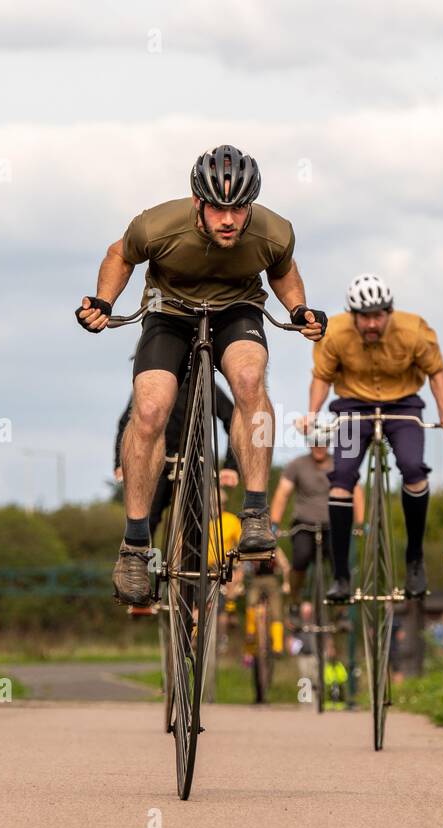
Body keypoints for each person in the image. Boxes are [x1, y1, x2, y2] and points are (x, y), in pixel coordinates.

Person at [78, 144, 327, 606]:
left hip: (238, 310)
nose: (229, 220)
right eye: (218, 209)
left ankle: (255, 512)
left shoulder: (274, 231)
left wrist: (299, 309)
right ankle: (135, 546)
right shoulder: (156, 225)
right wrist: (103, 302)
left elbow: (283, 271)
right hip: (168, 312)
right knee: (150, 409)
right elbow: (120, 256)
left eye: (238, 209)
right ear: (198, 202)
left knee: (250, 380)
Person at [306, 273, 443, 603]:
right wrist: (312, 413)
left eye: (379, 314)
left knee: (413, 470)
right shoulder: (334, 332)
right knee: (341, 479)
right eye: (365, 317)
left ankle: (415, 560)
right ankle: (340, 576)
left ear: (389, 311)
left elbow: (436, 371)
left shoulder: (414, 330)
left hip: (402, 403)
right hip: (353, 405)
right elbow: (322, 377)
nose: (372, 323)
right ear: (353, 315)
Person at [113, 353, 239, 537]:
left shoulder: (202, 385)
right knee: (147, 519)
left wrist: (231, 466)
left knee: (197, 525)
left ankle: (195, 562)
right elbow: (126, 425)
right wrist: (121, 463)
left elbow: (233, 419)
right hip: (157, 463)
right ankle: (141, 559)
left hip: (197, 460)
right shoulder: (144, 392)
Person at [268, 427, 364, 601]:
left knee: (339, 560)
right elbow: (282, 494)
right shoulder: (297, 465)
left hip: (333, 524)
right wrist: (274, 523)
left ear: (328, 444)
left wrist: (360, 522)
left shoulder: (340, 463)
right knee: (301, 557)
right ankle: (295, 597)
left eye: (323, 443)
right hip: (303, 523)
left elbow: (356, 492)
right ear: (309, 444)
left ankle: (341, 610)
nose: (319, 447)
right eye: (315, 444)